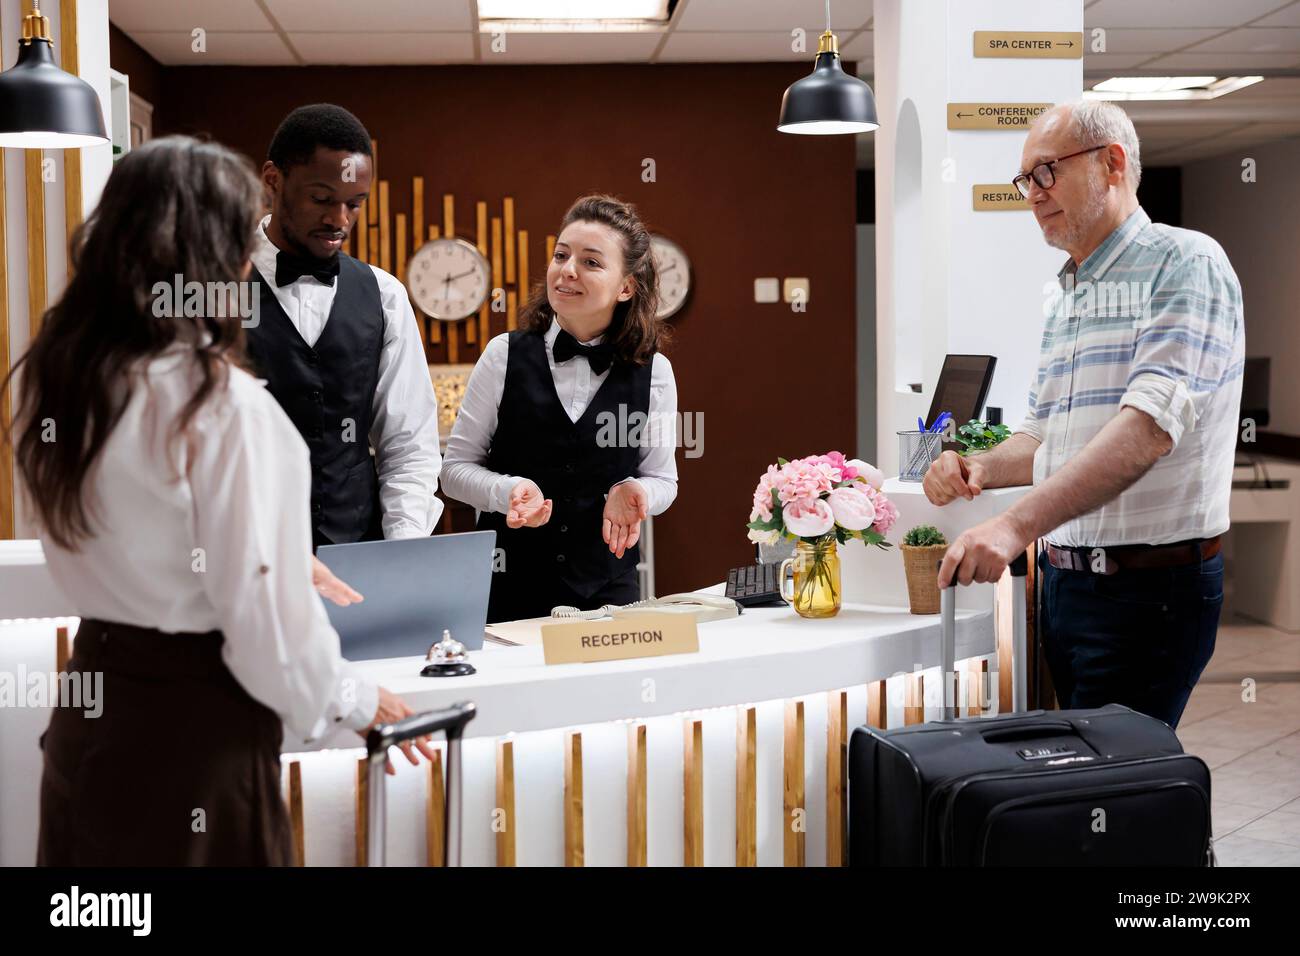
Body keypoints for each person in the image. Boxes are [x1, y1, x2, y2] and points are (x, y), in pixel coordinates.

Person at [6, 136, 433, 866]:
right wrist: (354, 701)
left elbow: (144, 535)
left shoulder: (64, 384)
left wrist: (280, 557)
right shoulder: (223, 405)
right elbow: (260, 627)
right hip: (194, 743)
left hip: (90, 718)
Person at [924, 100, 1243, 729]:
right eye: (1025, 181)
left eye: (1046, 172)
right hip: (1066, 588)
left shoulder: (1185, 264)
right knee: (1083, 790)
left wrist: (1013, 527)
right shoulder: (1069, 291)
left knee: (1115, 794)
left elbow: (1147, 430)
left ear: (1112, 164)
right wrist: (978, 468)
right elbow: (1044, 435)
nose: (1032, 195)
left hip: (1147, 592)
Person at [442, 195, 678, 623]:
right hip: (507, 586)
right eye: (561, 255)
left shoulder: (655, 372)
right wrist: (507, 491)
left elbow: (664, 479)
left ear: (626, 287)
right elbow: (454, 470)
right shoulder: (502, 356)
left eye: (590, 262)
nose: (567, 270)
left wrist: (638, 492)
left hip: (608, 591)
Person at [249, 103, 442, 548]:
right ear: (273, 180)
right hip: (245, 569)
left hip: (357, 560)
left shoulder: (385, 295)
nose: (339, 220)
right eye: (322, 199)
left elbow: (408, 445)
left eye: (354, 204)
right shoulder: (208, 290)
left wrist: (403, 550)